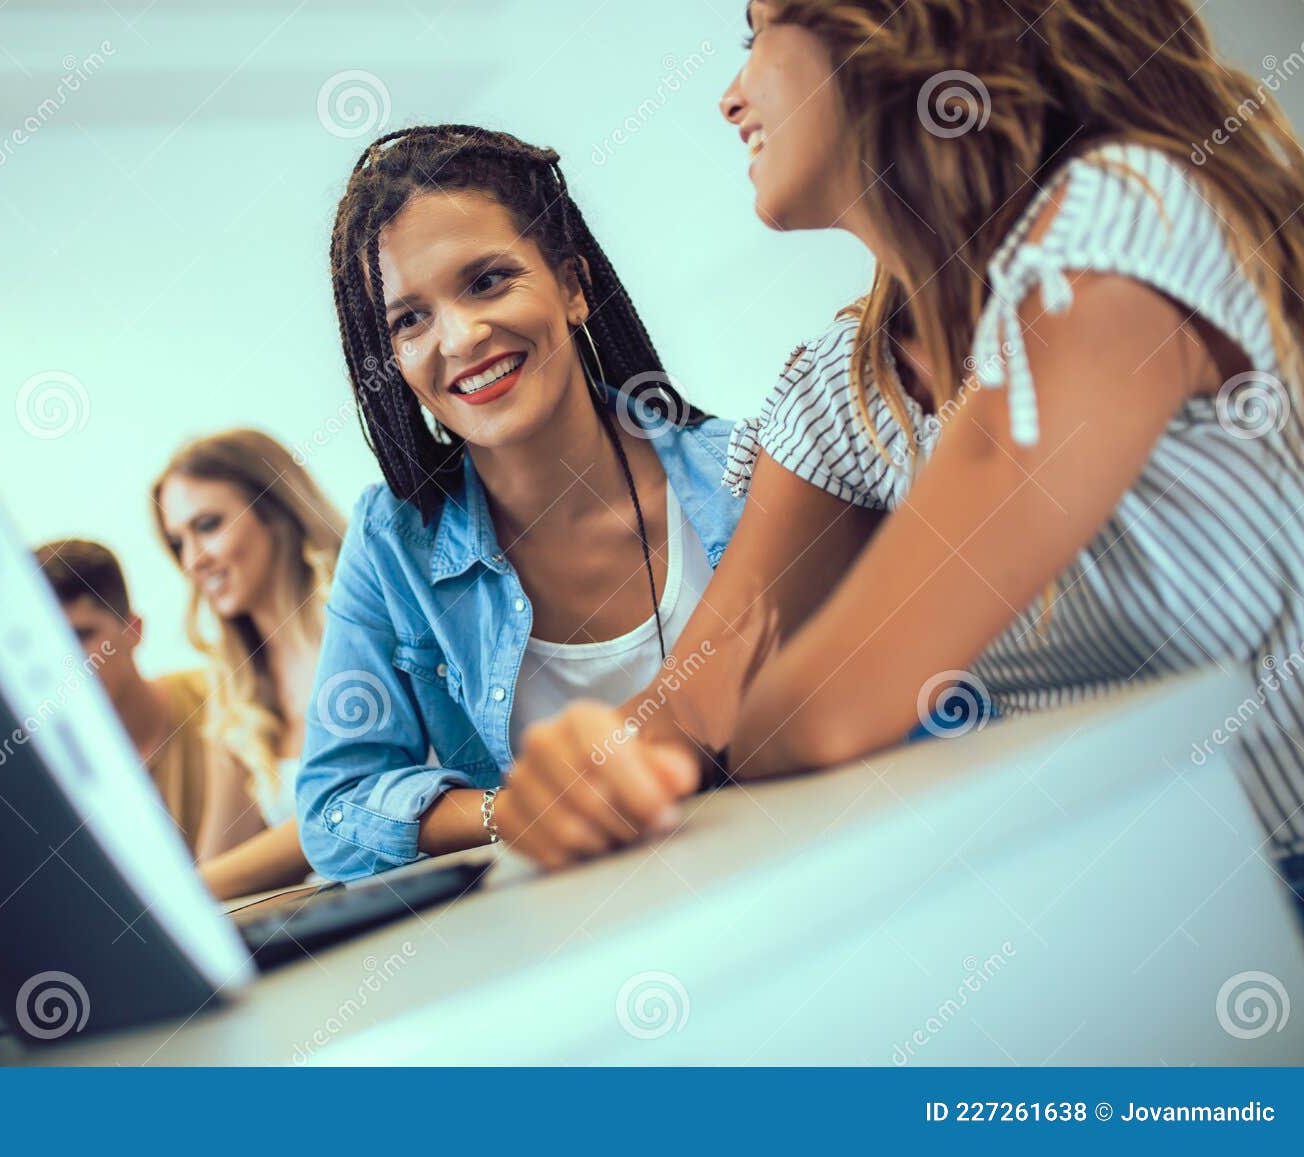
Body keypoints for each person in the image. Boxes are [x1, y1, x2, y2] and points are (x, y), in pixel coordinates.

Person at [498, 0, 1304, 911]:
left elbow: (828, 709)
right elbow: (694, 707)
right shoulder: (846, 391)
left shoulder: (1121, 216)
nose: (729, 97)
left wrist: (717, 726)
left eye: (758, 33)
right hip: (1141, 900)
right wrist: (587, 767)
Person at [296, 125, 754, 881]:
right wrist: (506, 812)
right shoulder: (393, 543)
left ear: (572, 287)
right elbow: (333, 809)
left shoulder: (744, 472)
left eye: (487, 280)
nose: (461, 336)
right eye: (410, 319)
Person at [153, 429, 345, 899]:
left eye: (208, 525)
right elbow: (220, 869)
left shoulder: (365, 622)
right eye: (178, 542)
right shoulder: (237, 693)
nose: (193, 561)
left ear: (275, 511)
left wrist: (169, 897)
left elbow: (351, 812)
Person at [34, 538, 221, 856]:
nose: (67, 662)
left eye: (82, 636)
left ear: (133, 629)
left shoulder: (223, 701)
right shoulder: (45, 767)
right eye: (49, 643)